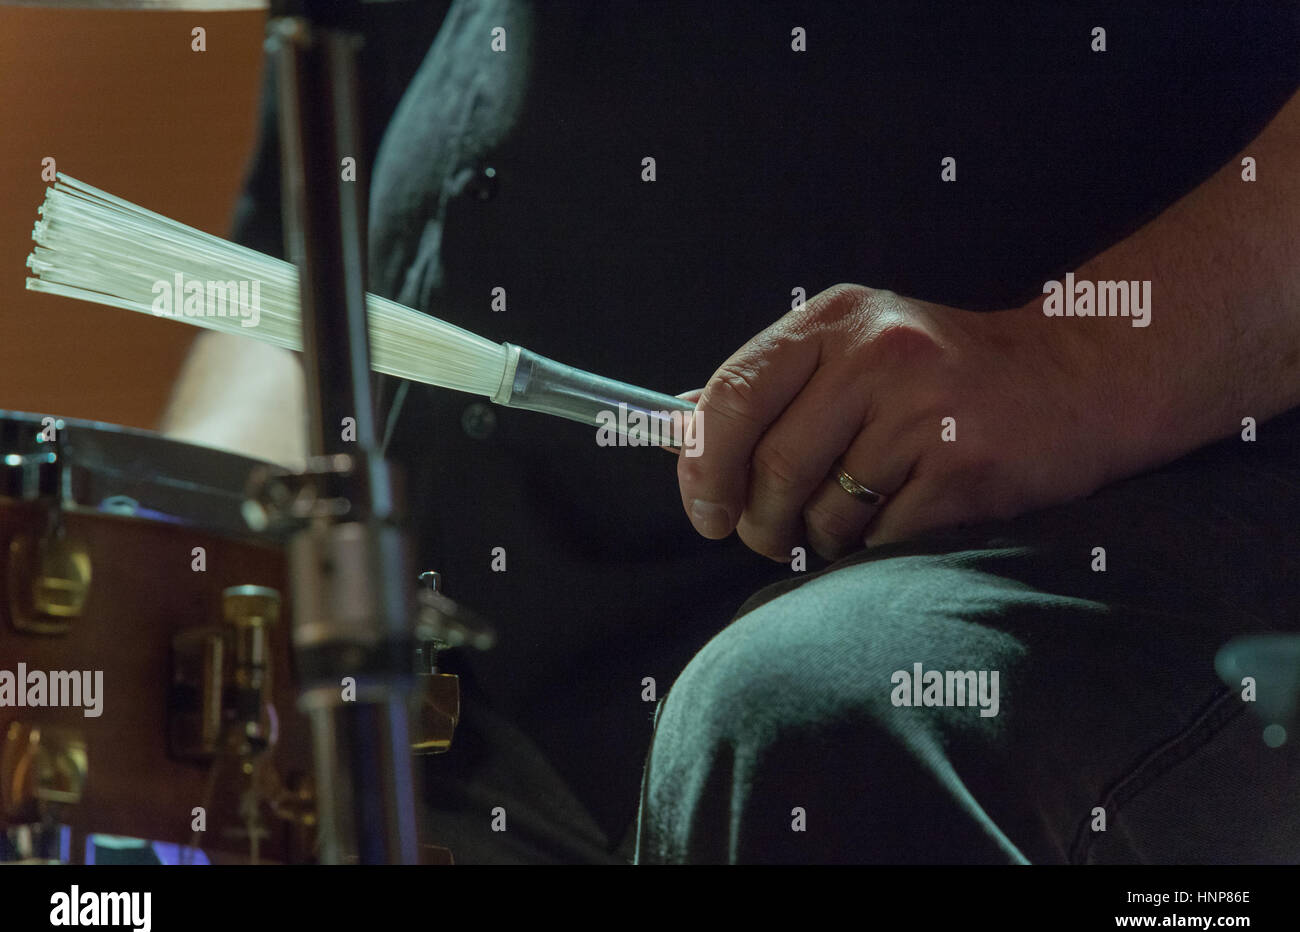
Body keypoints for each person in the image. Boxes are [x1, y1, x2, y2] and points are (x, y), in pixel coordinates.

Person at [162, 1, 1300, 863]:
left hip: (1126, 534)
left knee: (811, 712)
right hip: (471, 665)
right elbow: (302, 278)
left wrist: (1073, 362)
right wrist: (170, 534)